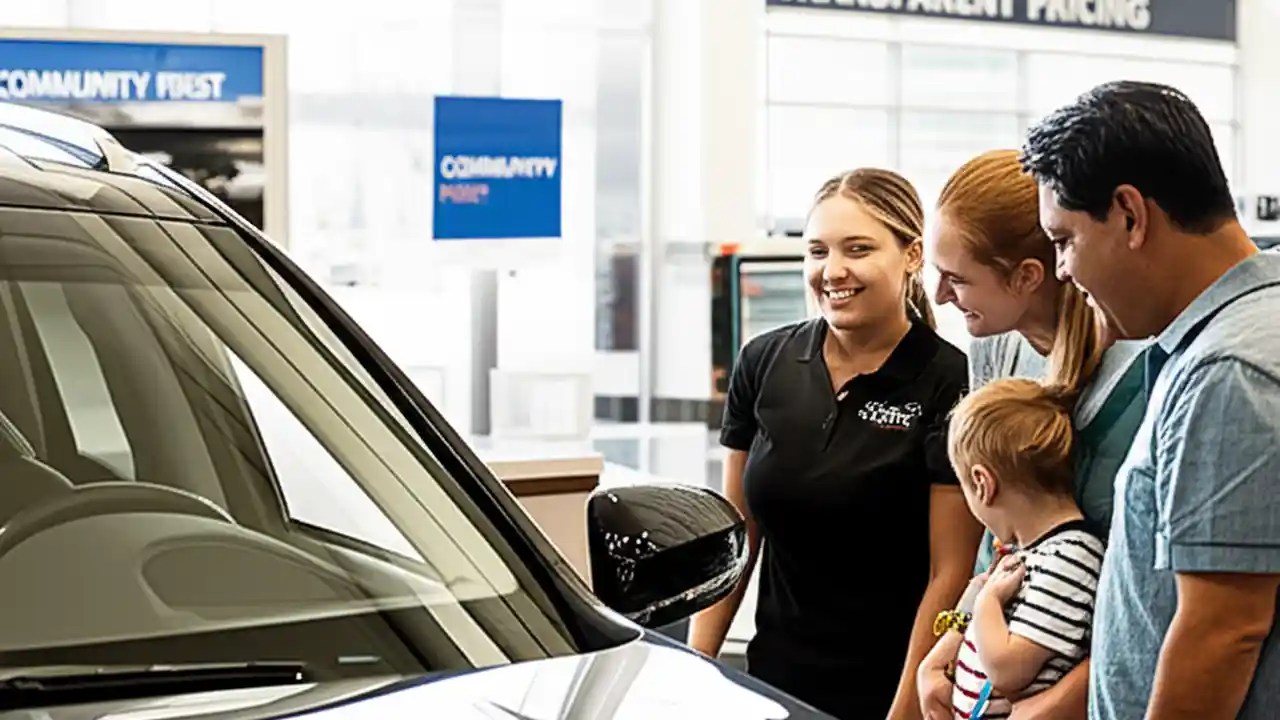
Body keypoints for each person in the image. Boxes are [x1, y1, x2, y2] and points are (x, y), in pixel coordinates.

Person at [1021, 79, 1280, 720]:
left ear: (1131, 216)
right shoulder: (1247, 327)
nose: (1062, 272)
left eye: (1063, 241)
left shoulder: (1227, 370)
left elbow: (1223, 633)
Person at [688, 168, 984, 719]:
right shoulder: (763, 362)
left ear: (913, 255)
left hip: (889, 692)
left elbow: (951, 570)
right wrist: (694, 666)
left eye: (858, 249)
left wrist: (905, 712)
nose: (833, 271)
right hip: (774, 685)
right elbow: (736, 535)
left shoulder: (950, 380)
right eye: (817, 251)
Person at [921, 149, 1148, 718]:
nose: (942, 298)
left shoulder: (1146, 369)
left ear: (1026, 276)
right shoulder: (994, 343)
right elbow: (999, 530)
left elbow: (1160, 593)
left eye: (956, 279)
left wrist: (1060, 701)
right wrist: (950, 643)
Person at [917, 378, 1105, 720]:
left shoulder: (1071, 558)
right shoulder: (1031, 552)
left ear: (982, 484)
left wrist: (989, 599)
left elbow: (1008, 669)